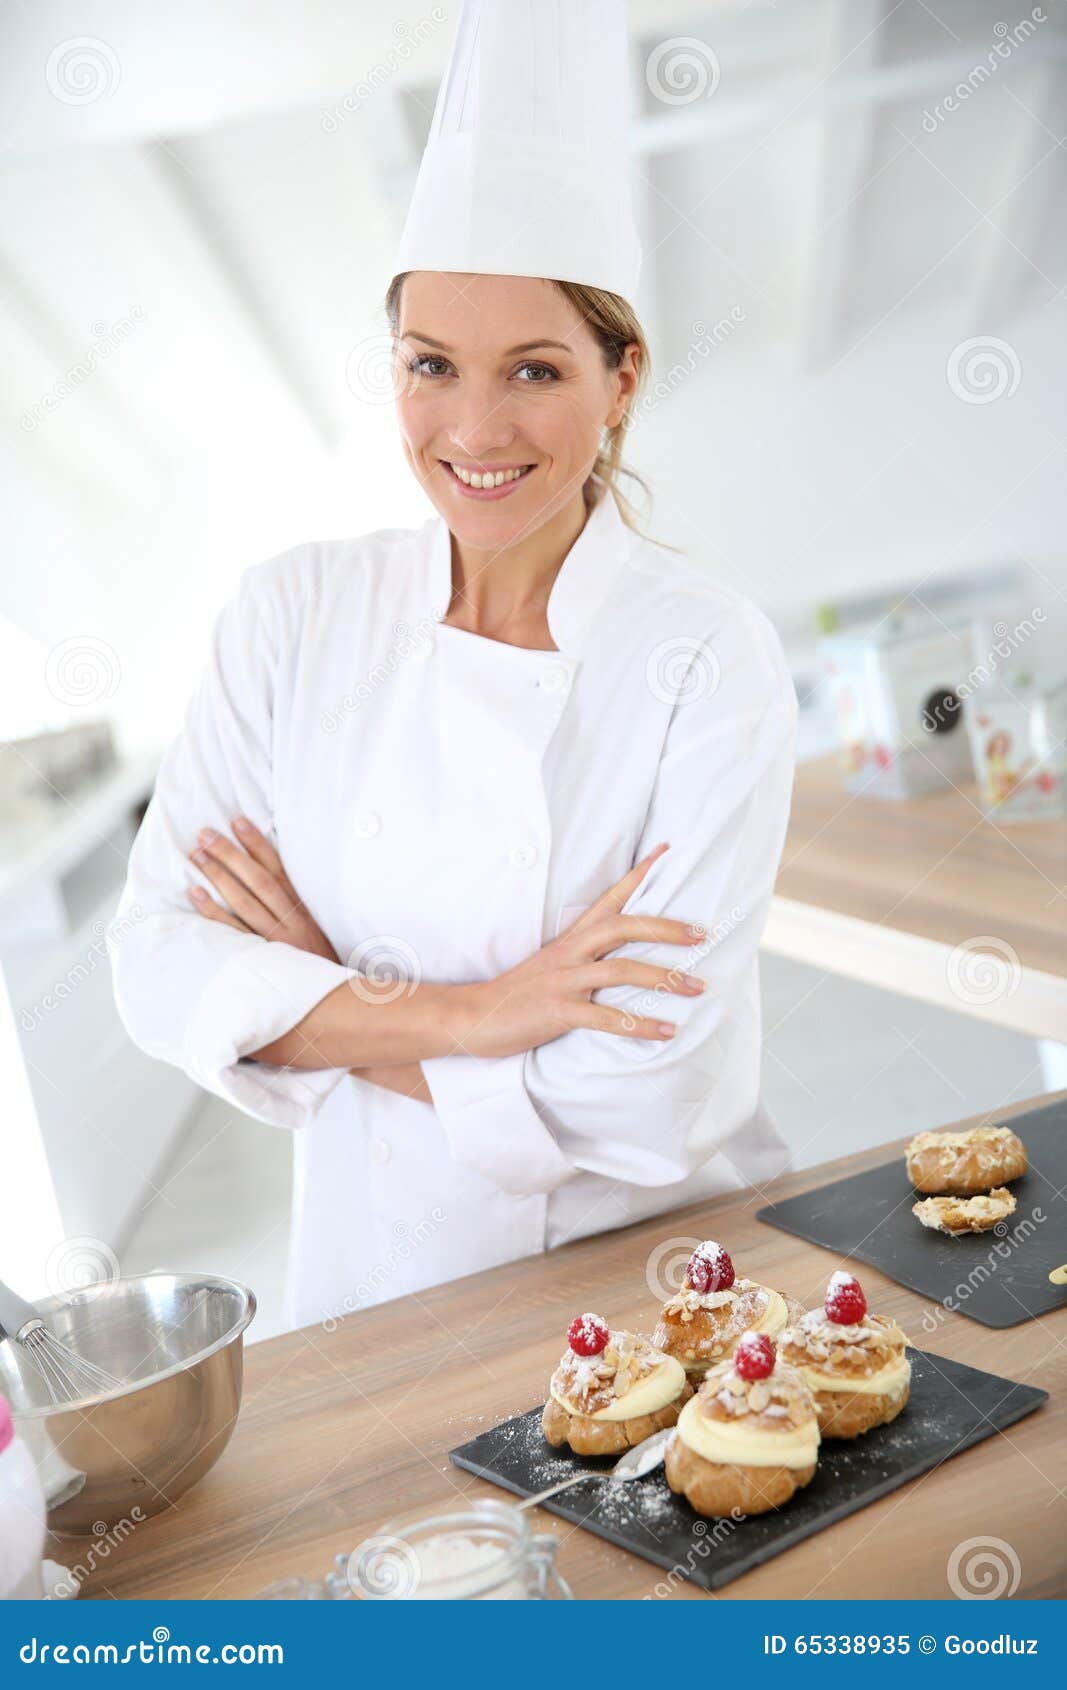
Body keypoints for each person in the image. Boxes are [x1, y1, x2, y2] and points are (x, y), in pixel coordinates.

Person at [108, 0, 798, 1330]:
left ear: (624, 378)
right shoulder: (293, 614)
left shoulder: (707, 658)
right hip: (379, 1284)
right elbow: (158, 965)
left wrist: (329, 997)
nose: (473, 430)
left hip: (652, 1289)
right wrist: (485, 1012)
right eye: (431, 365)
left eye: (534, 369)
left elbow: (648, 1100)